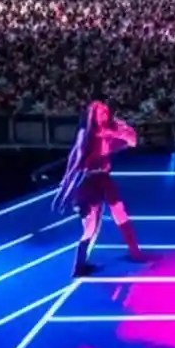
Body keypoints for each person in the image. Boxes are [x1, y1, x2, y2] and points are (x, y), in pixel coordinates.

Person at [52, 101, 151, 278]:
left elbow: (132, 141)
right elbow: (75, 161)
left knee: (120, 212)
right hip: (88, 182)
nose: (104, 115)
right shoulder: (87, 134)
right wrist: (65, 191)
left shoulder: (109, 131)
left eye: (106, 112)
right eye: (101, 112)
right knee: (91, 226)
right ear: (93, 114)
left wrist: (120, 128)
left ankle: (135, 252)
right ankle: (79, 265)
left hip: (104, 178)